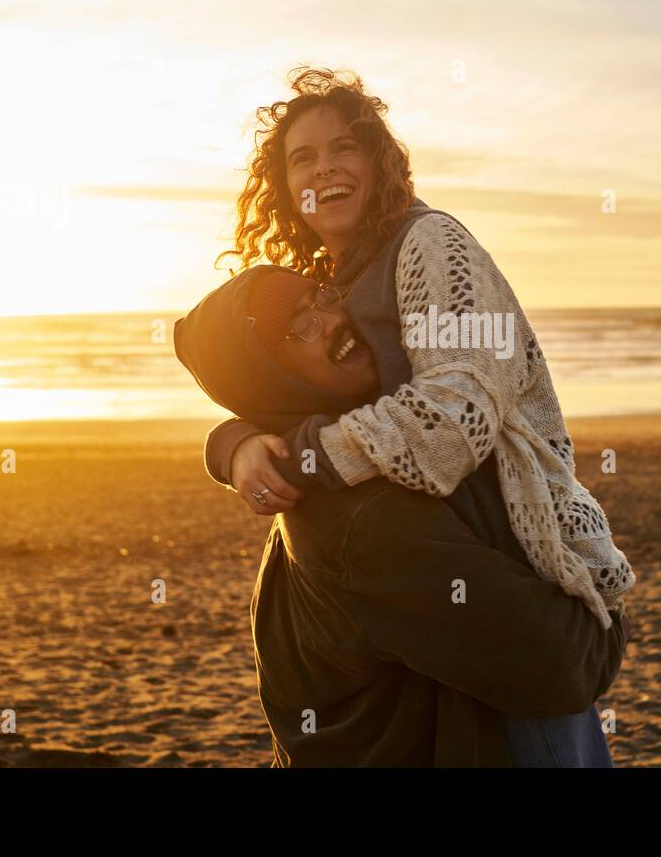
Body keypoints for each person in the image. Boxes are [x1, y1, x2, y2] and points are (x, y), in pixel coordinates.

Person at [198, 65, 636, 763]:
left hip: (525, 554)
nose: (326, 168)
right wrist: (235, 441)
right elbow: (291, 389)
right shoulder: (336, 282)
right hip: (453, 579)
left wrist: (301, 454)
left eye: (346, 147)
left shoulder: (428, 244)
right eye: (302, 158)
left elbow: (453, 418)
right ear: (283, 187)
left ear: (380, 161)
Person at [174, 266, 631, 766]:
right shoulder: (365, 516)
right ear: (268, 380)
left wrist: (229, 442)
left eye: (322, 297)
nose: (331, 320)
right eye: (299, 326)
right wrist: (607, 612)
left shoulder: (341, 460)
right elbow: (563, 665)